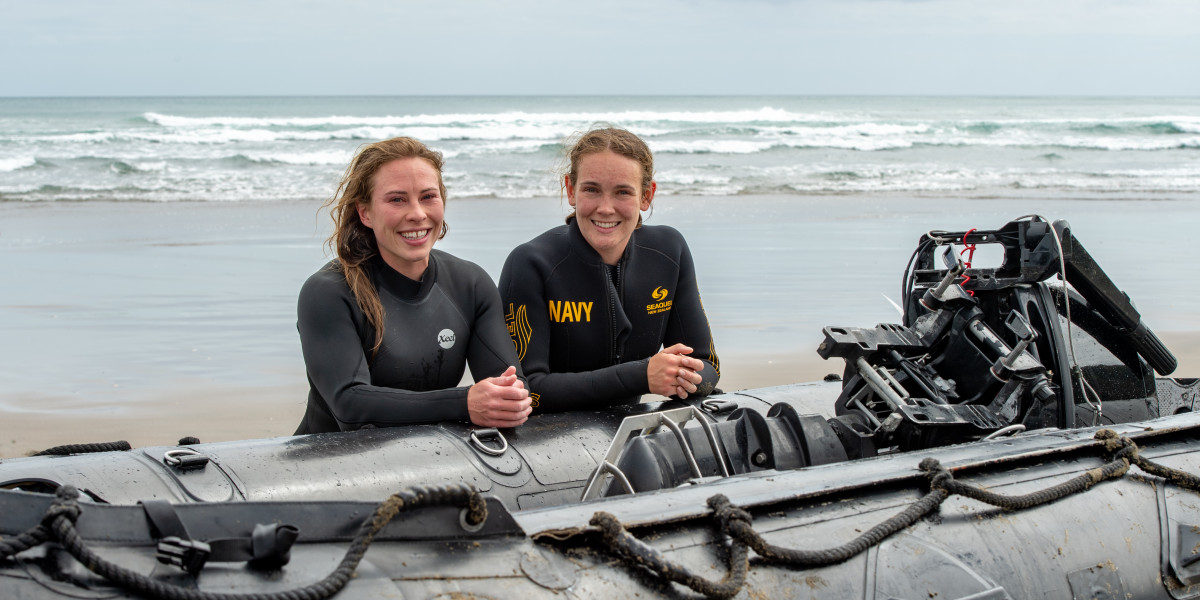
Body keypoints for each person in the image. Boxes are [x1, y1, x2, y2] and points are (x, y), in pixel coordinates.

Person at [294, 137, 531, 434]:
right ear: (365, 212)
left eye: (428, 196)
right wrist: (463, 403)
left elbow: (511, 385)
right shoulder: (329, 292)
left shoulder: (469, 284)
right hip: (328, 465)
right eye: (397, 199)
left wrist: (510, 401)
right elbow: (349, 406)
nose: (417, 213)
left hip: (424, 460)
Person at [499, 126, 719, 412]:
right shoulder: (531, 264)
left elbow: (708, 366)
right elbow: (527, 390)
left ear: (646, 196)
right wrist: (643, 376)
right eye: (592, 189)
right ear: (570, 190)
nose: (605, 208)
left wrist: (685, 377)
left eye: (622, 192)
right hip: (546, 439)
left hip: (626, 432)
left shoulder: (668, 252)